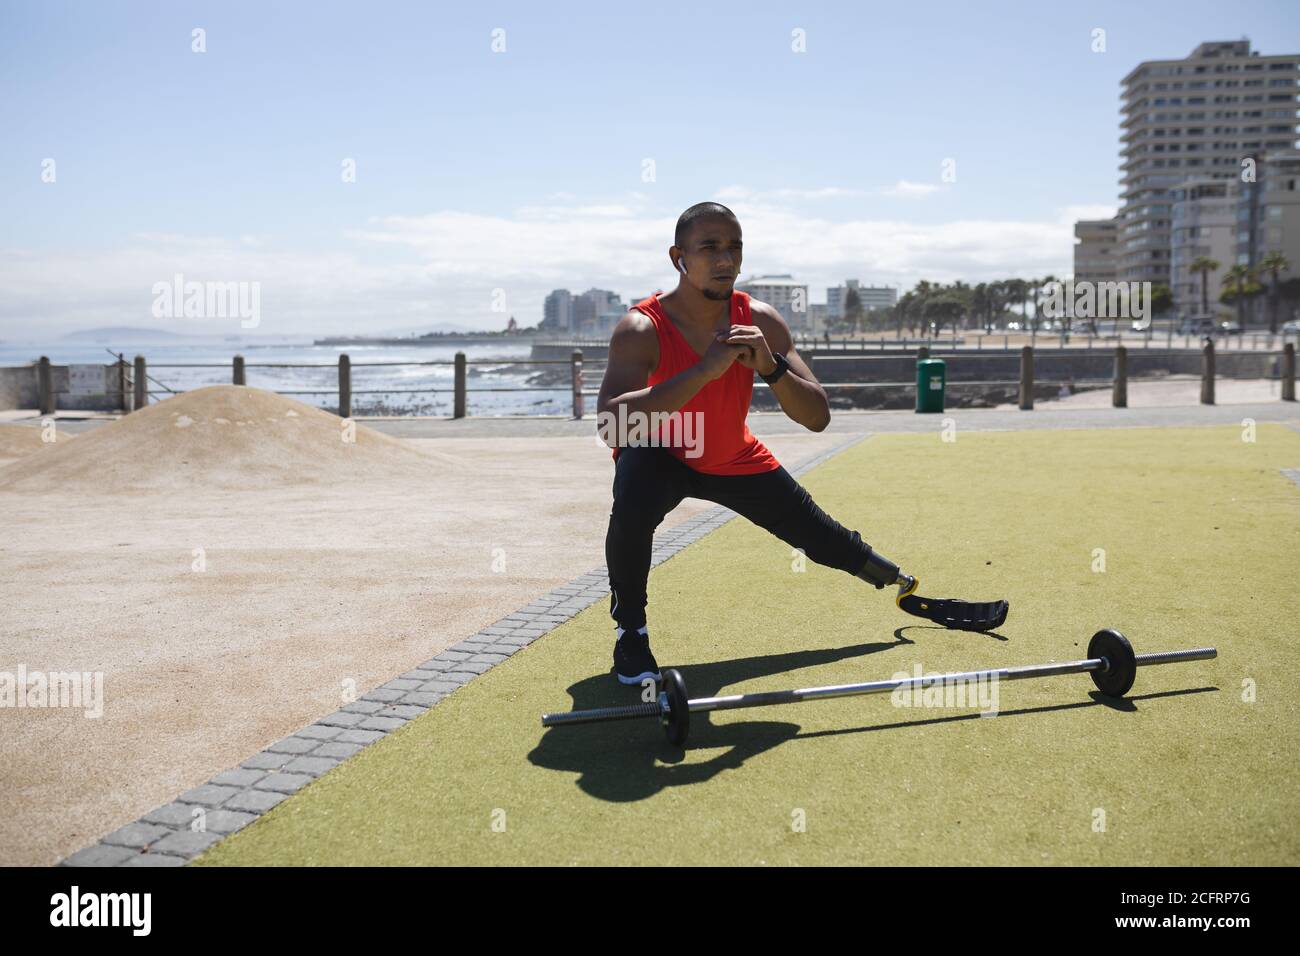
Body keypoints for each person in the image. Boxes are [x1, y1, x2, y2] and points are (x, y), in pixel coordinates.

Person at [595, 202, 919, 685]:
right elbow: (611, 427)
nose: (725, 259)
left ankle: (894, 580)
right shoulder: (641, 327)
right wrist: (705, 369)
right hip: (661, 452)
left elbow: (817, 417)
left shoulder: (762, 321)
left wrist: (771, 368)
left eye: (734, 247)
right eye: (710, 248)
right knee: (633, 505)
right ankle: (631, 632)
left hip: (731, 455)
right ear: (678, 257)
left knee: (821, 537)